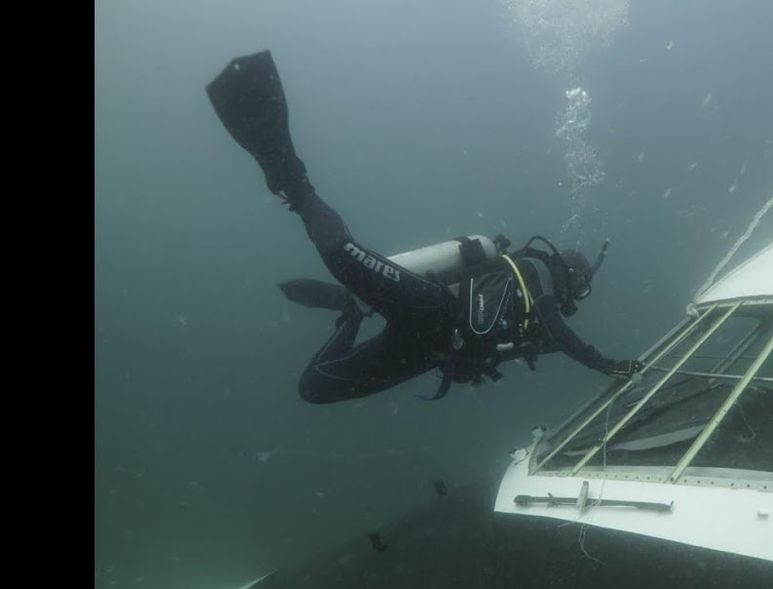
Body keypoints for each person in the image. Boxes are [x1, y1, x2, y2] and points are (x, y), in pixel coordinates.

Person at [206, 50, 641, 404]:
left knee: (315, 389)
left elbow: (521, 341)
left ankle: (348, 313)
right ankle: (295, 183)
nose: (575, 298)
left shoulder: (535, 322)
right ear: (568, 272)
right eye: (580, 286)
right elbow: (563, 333)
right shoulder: (537, 273)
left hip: (430, 351)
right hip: (430, 308)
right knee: (341, 254)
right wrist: (607, 365)